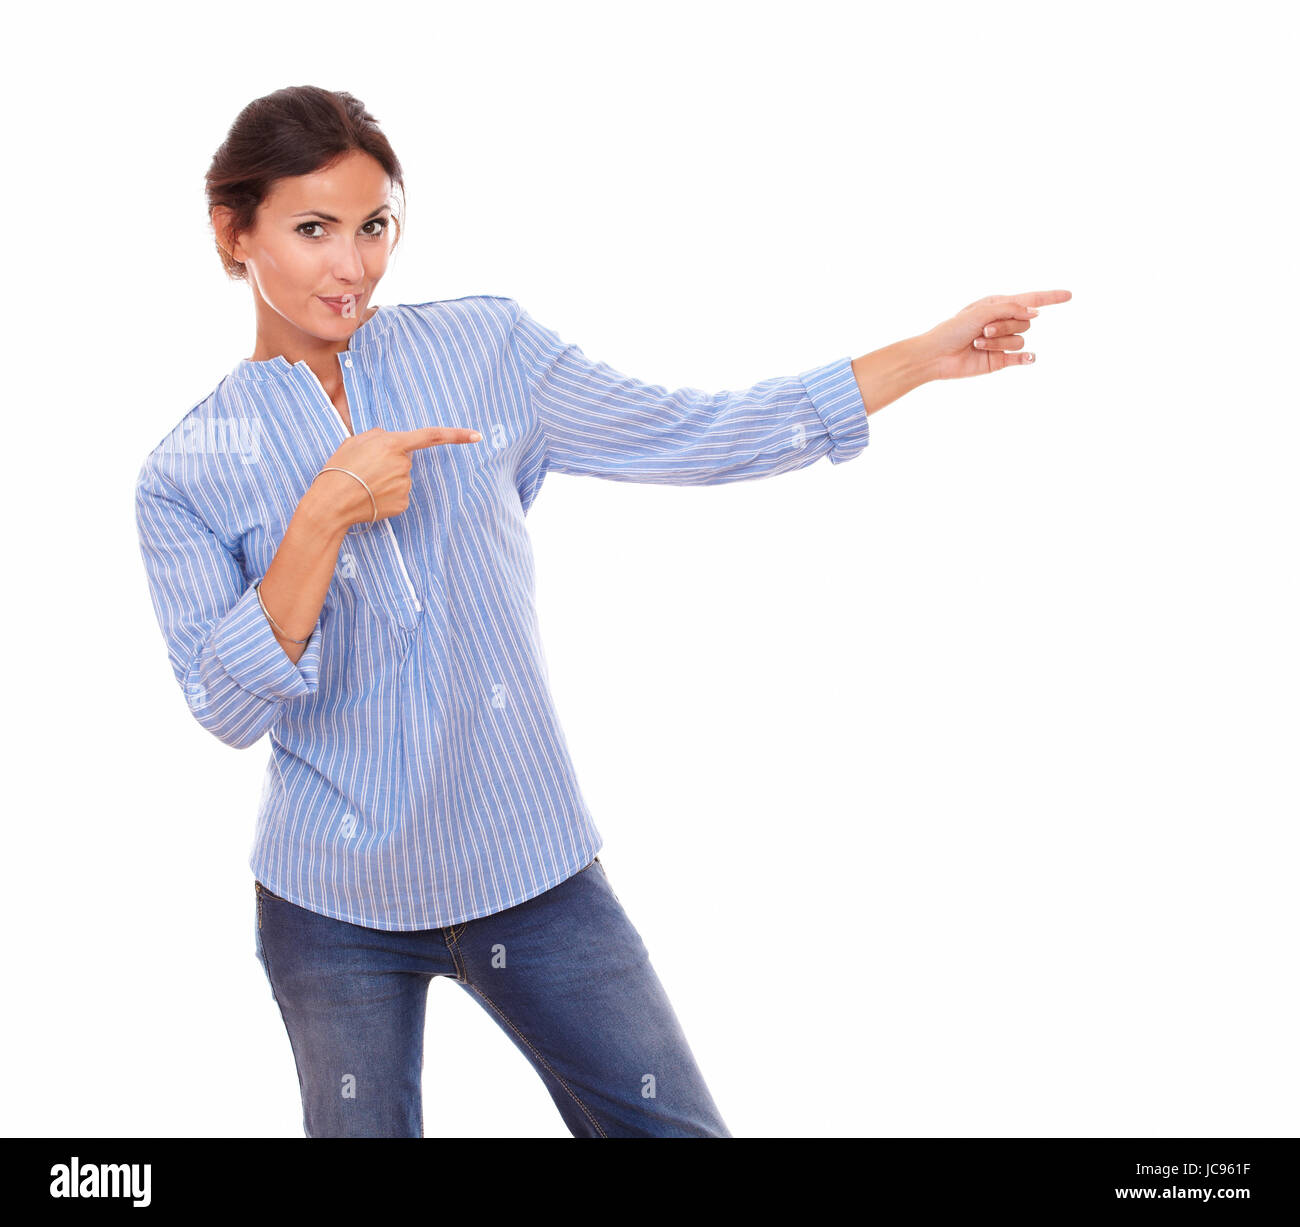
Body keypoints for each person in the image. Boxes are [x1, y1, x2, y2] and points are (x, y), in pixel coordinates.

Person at [134, 85, 1069, 1138]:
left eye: (373, 227)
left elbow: (694, 432)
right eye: (313, 231)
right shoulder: (185, 471)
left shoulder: (486, 349)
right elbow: (223, 705)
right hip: (330, 908)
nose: (351, 268)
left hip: (532, 875)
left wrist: (917, 359)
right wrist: (319, 522)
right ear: (233, 229)